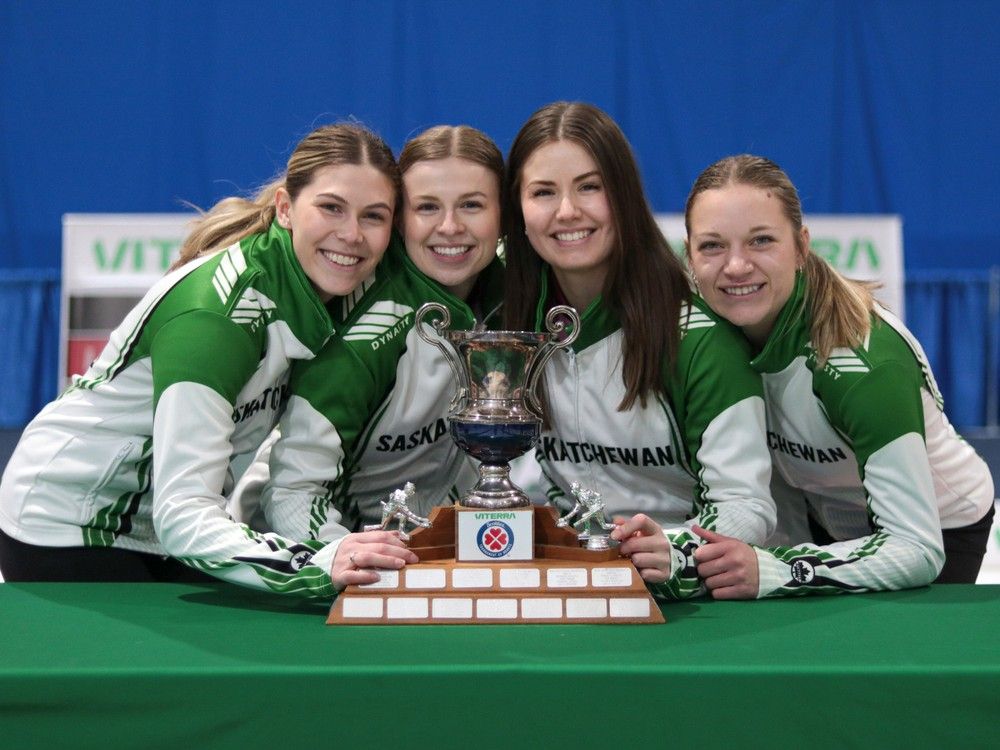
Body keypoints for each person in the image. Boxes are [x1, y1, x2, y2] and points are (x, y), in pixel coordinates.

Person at [0, 123, 400, 596]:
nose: (351, 234)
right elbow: (184, 513)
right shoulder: (218, 317)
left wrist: (336, 550)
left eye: (373, 217)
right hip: (68, 526)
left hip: (162, 531)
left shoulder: (324, 290)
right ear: (286, 209)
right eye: (331, 208)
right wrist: (314, 566)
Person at [685, 154, 996, 598]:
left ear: (801, 246)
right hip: (823, 509)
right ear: (689, 254)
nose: (736, 266)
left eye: (761, 241)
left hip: (937, 526)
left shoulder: (860, 362)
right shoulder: (706, 330)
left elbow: (916, 547)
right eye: (712, 246)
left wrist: (780, 570)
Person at [502, 102, 776, 599]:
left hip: (685, 606)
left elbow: (746, 505)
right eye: (543, 192)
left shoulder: (698, 337)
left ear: (625, 196)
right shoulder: (508, 327)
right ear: (517, 211)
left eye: (590, 186)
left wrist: (675, 550)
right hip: (562, 588)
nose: (567, 211)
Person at [240, 124, 505, 590]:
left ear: (503, 216)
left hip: (435, 557)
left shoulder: (514, 297)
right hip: (322, 553)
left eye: (472, 205)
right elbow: (292, 492)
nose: (450, 227)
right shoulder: (371, 329)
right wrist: (346, 560)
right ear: (400, 219)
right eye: (427, 207)